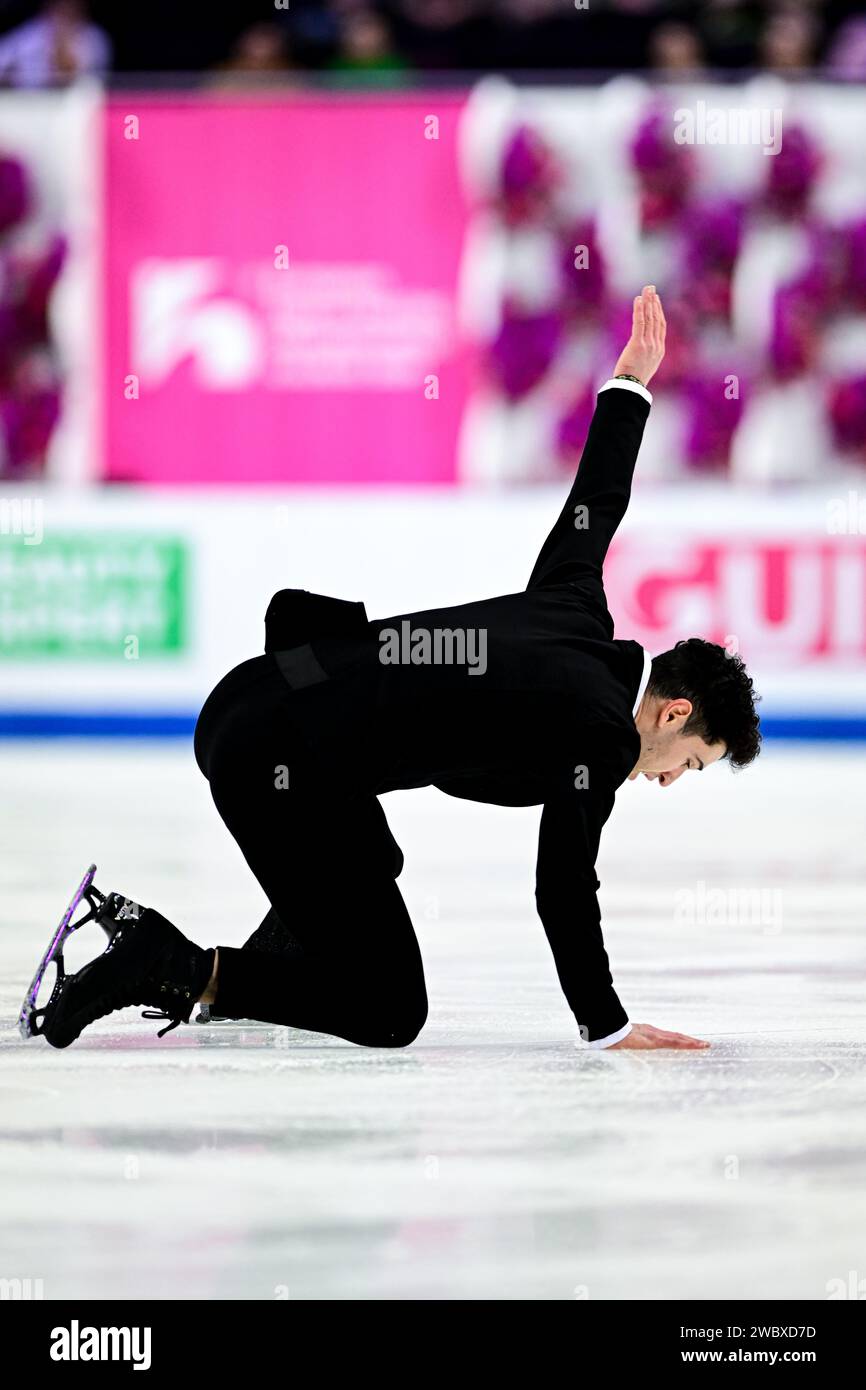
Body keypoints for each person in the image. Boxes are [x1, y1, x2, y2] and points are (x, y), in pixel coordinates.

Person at [30, 287, 761, 1053]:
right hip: (276, 756)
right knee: (387, 1008)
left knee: (373, 859)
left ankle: (243, 976)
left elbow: (595, 503)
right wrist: (606, 1025)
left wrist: (630, 385)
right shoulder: (603, 736)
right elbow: (564, 889)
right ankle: (170, 964)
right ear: (674, 714)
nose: (673, 779)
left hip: (259, 700)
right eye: (694, 763)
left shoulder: (575, 606)